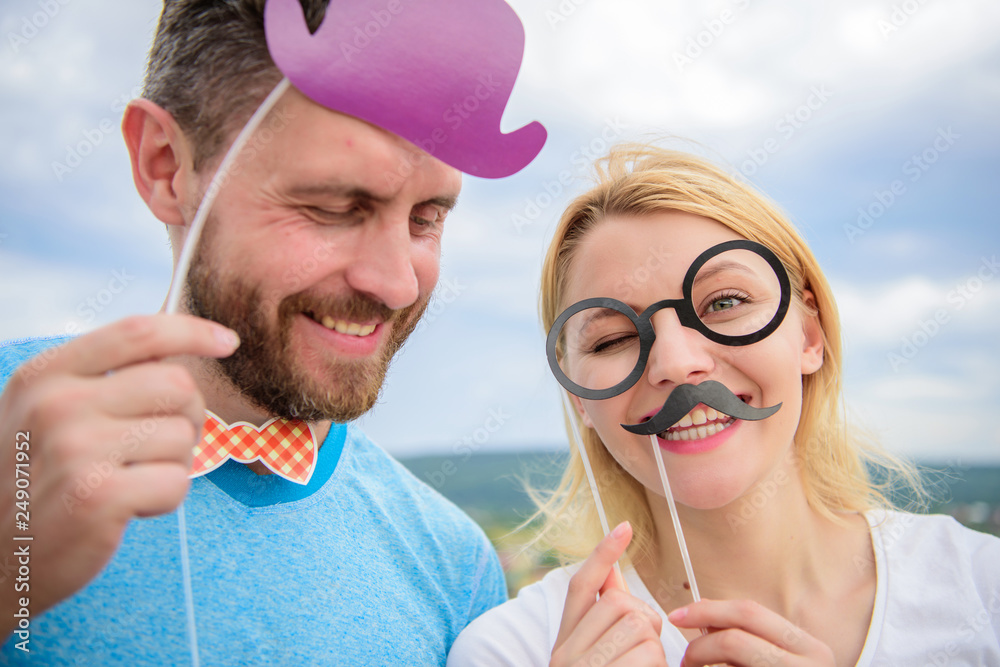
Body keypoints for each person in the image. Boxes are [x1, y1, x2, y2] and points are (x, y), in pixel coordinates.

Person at [0, 0, 545, 664]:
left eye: (427, 218)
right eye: (334, 208)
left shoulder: (455, 569)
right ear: (166, 166)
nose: (396, 282)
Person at [447, 144, 1000, 666]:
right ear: (578, 397)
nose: (674, 362)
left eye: (725, 302)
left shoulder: (981, 592)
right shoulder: (516, 650)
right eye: (613, 339)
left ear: (809, 334)